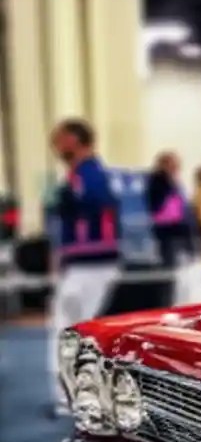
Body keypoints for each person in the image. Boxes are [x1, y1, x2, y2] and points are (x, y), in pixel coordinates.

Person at [47, 118, 120, 410]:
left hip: (88, 264)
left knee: (69, 332)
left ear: (74, 141)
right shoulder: (95, 174)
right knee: (86, 331)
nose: (54, 145)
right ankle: (87, 397)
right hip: (96, 264)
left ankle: (71, 397)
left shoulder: (84, 177)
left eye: (59, 139)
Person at [146, 151, 195, 268]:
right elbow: (159, 206)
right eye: (174, 165)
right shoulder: (160, 180)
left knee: (177, 264)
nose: (177, 168)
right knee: (170, 264)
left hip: (177, 229)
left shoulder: (173, 182)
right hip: (169, 230)